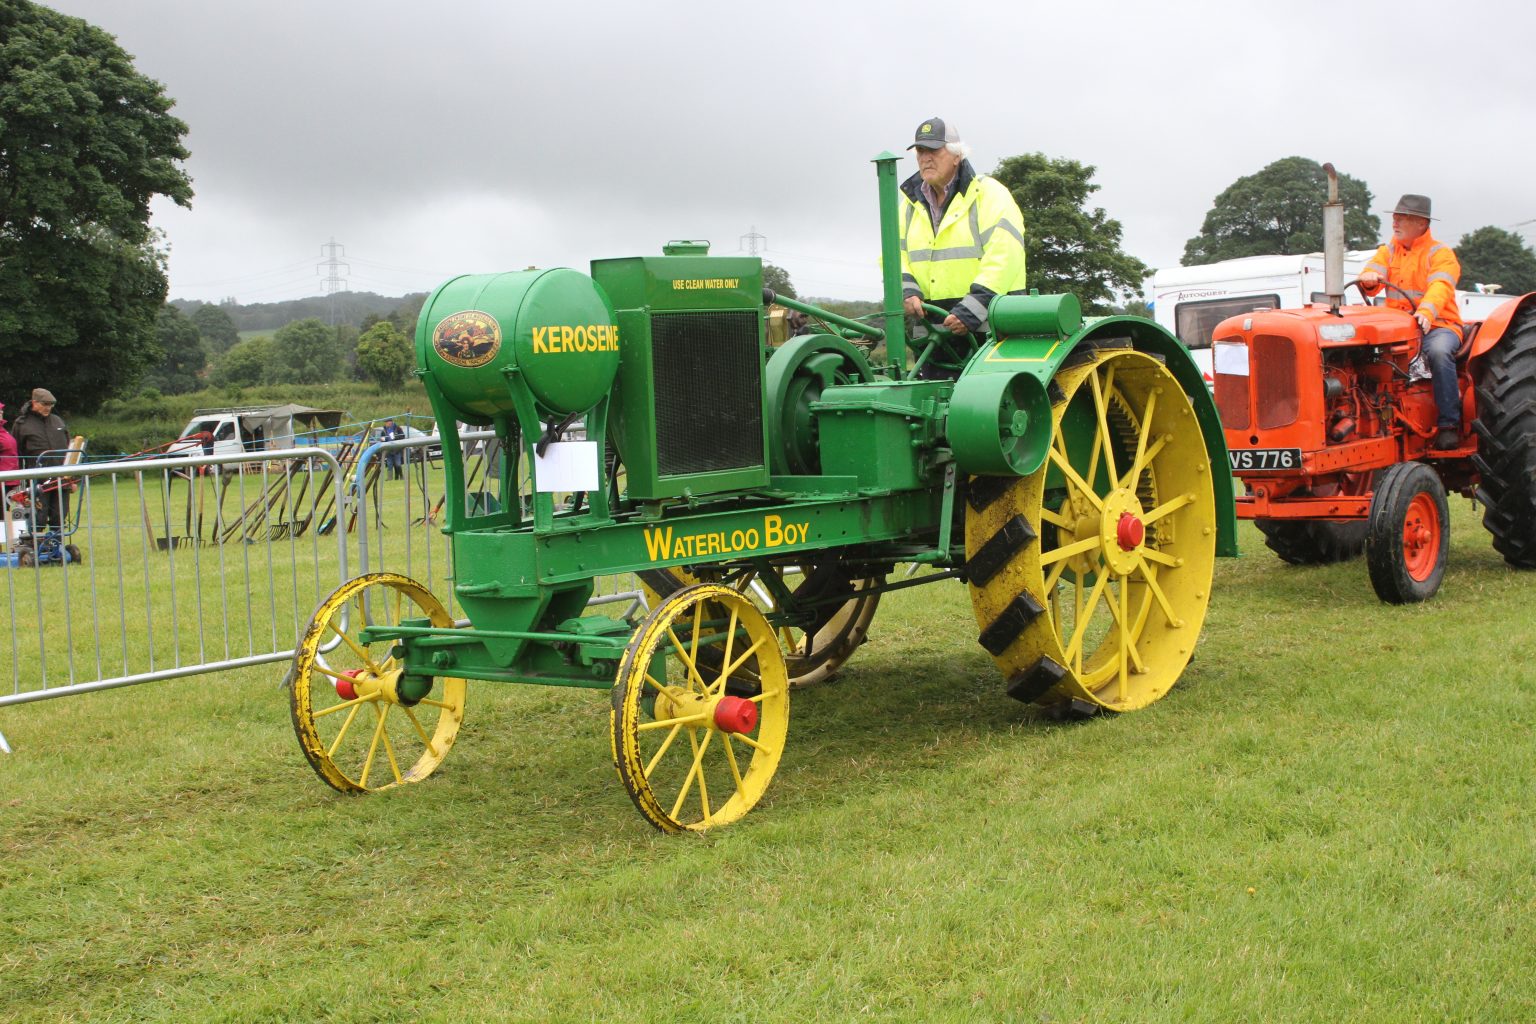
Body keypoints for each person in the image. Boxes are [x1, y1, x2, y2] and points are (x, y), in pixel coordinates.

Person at [898, 117, 1028, 376]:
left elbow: (1005, 254)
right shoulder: (907, 206)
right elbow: (893, 257)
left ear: (956, 155)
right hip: (933, 329)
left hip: (992, 325)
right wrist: (908, 292)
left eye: (934, 150)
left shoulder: (990, 194)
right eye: (921, 151)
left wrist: (972, 309)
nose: (926, 158)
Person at [1359, 194, 1464, 450]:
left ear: (1420, 222)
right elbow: (1371, 274)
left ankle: (1449, 424)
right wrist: (1368, 278)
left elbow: (1441, 286)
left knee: (1438, 353)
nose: (1395, 223)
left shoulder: (1441, 254)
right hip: (1399, 329)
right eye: (1394, 218)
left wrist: (1426, 312)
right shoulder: (1389, 250)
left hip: (1438, 325)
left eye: (1402, 218)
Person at [12, 388, 72, 530]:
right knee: (39, 516)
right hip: (36, 480)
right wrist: (18, 482)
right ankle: (35, 545)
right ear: (34, 402)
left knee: (60, 515)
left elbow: (70, 451)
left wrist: (72, 478)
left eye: (51, 405)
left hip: (61, 479)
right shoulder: (21, 424)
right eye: (45, 404)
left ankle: (56, 546)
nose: (48, 408)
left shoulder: (58, 421)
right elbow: (16, 454)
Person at [0, 403, 17, 474]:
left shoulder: (3, 430)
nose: (1, 411)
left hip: (11, 478)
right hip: (3, 480)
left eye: (1, 409)